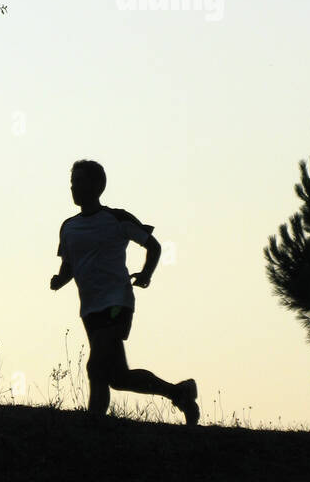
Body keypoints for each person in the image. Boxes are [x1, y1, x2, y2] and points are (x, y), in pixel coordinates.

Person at [50, 159, 199, 425]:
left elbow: (153, 246)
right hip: (90, 309)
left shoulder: (117, 218)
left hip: (117, 303)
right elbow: (69, 264)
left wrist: (146, 275)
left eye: (80, 182)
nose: (74, 188)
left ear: (97, 186)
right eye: (72, 183)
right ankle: (179, 393)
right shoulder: (68, 227)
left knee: (95, 367)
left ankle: (92, 426)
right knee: (118, 377)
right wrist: (60, 280)